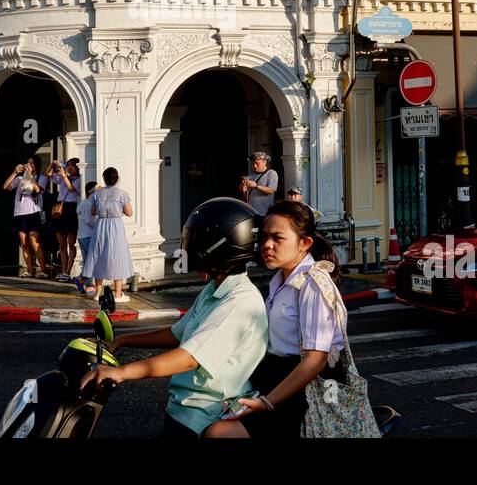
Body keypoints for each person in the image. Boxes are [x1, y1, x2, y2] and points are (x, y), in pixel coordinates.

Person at [80, 198, 269, 438]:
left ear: (221, 246)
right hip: (183, 409)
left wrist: (122, 373)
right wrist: (123, 341)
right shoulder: (215, 290)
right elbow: (177, 333)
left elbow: (189, 358)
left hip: (204, 415)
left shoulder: (240, 301)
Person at [206, 199, 347, 438]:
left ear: (305, 243)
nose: (267, 245)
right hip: (275, 377)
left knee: (220, 433)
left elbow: (316, 360)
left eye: (277, 238)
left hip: (307, 389)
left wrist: (268, 402)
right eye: (264, 237)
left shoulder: (313, 285)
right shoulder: (281, 280)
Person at [85, 168, 134, 303]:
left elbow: (93, 211)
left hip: (100, 226)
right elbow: (129, 213)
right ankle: (118, 294)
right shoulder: (122, 194)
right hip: (115, 227)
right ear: (117, 178)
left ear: (104, 178)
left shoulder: (97, 194)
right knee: (117, 256)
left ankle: (97, 292)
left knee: (98, 256)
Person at [3, 156, 49, 278]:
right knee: (24, 242)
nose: (29, 165)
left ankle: (43, 270)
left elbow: (39, 190)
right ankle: (29, 270)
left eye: (32, 164)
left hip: (34, 211)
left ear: (37, 165)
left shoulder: (42, 178)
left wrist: (30, 175)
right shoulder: (19, 179)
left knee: (34, 241)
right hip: (20, 212)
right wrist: (15, 172)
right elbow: (6, 187)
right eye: (28, 163)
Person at [51, 158, 83, 282]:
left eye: (73, 166)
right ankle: (64, 270)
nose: (70, 168)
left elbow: (71, 189)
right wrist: (52, 164)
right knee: (62, 243)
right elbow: (49, 174)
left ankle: (68, 271)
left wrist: (64, 174)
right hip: (60, 208)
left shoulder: (78, 179)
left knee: (71, 242)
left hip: (70, 209)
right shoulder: (63, 178)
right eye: (68, 165)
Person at [72, 180, 98, 295]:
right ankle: (86, 283)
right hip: (88, 236)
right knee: (91, 261)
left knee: (88, 261)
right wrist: (99, 223)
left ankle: (85, 282)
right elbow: (89, 221)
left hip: (83, 236)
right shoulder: (88, 204)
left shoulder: (83, 203)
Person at [240, 152, 278, 217]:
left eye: (257, 163)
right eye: (253, 163)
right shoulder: (251, 174)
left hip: (264, 213)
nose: (254, 165)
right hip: (250, 212)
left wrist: (256, 186)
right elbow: (246, 194)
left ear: (265, 162)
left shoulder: (271, 173)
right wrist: (243, 188)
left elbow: (271, 190)